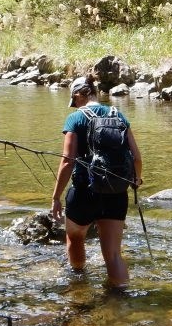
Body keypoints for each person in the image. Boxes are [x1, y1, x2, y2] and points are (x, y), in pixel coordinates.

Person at [51, 74, 143, 288]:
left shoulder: (75, 118)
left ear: (77, 95)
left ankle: (79, 282)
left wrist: (56, 196)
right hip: (116, 192)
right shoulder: (118, 116)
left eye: (74, 102)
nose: (74, 106)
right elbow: (137, 157)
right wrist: (136, 179)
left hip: (85, 191)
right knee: (113, 255)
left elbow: (67, 161)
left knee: (74, 237)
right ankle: (121, 297)